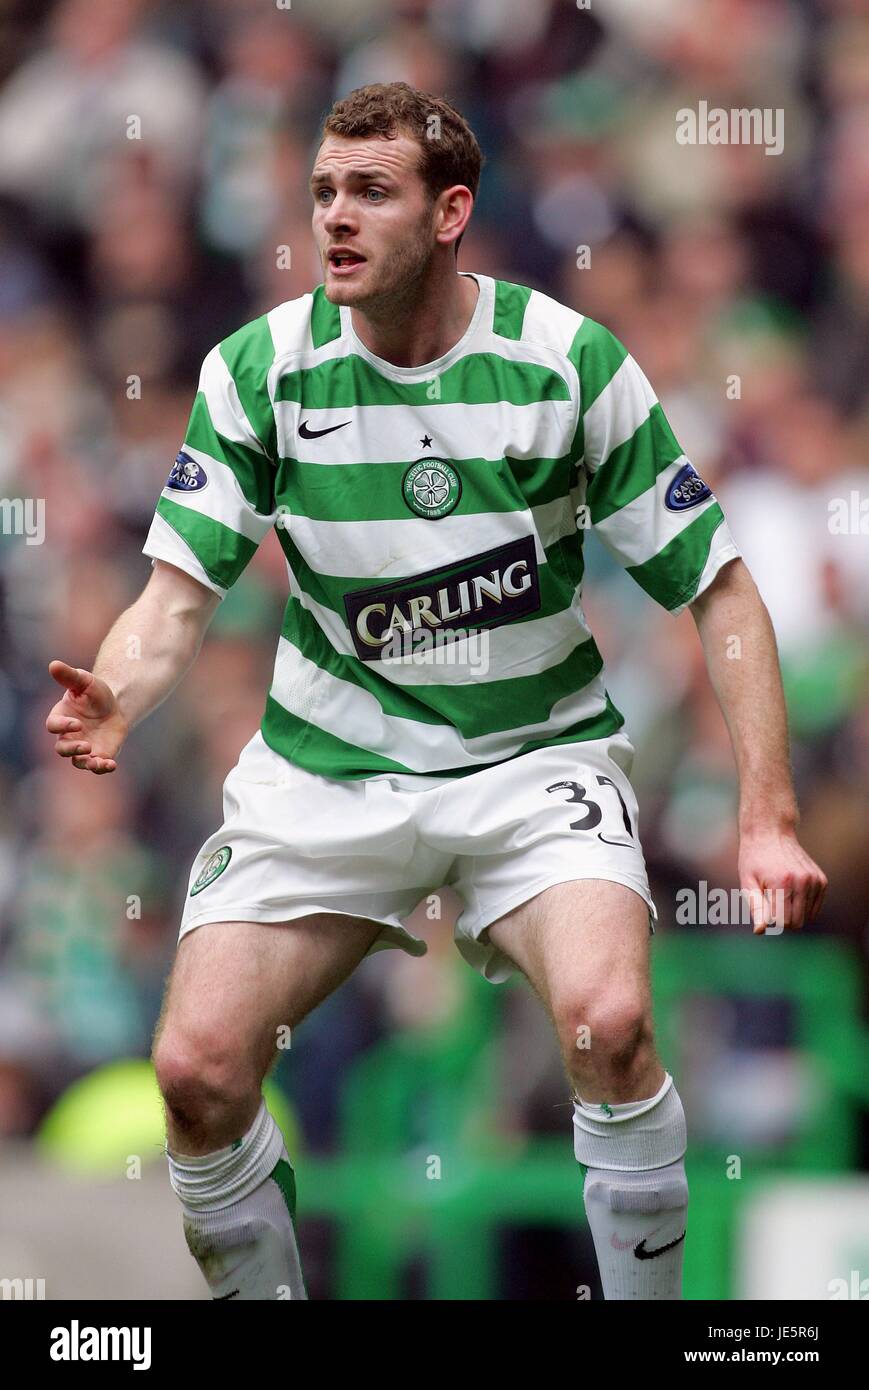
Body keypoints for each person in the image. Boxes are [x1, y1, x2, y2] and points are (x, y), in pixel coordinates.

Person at [45, 81, 827, 1301]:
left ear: (451, 209)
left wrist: (765, 812)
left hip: (534, 762)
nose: (335, 219)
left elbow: (717, 592)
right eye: (321, 193)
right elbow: (173, 603)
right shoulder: (259, 370)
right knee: (196, 1068)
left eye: (370, 192)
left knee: (609, 1022)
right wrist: (119, 694)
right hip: (327, 772)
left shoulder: (565, 362)